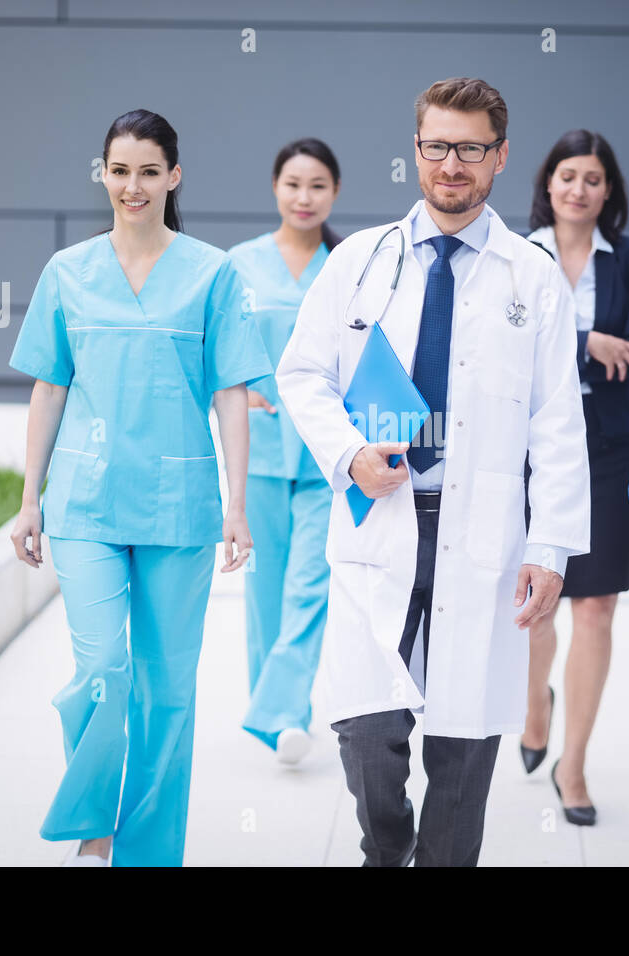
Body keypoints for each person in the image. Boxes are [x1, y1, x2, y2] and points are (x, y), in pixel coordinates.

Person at [276, 76, 590, 867]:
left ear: (500, 157)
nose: (453, 164)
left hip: (481, 532)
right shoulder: (359, 261)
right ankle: (386, 851)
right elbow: (302, 374)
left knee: (463, 747)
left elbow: (558, 421)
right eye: (438, 146)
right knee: (366, 730)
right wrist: (348, 453)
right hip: (382, 519)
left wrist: (550, 547)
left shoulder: (531, 277)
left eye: (471, 149)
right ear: (416, 149)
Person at [7, 109, 271, 867]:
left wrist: (237, 505)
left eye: (149, 171)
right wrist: (29, 499)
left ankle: (149, 855)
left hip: (178, 507)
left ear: (173, 177)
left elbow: (230, 393)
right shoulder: (68, 272)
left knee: (168, 691)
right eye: (120, 170)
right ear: (104, 174)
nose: (133, 186)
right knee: (102, 671)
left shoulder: (212, 273)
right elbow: (49, 387)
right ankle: (94, 829)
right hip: (84, 504)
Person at [520, 130, 629, 826]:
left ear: (609, 192)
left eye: (593, 179)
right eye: (568, 175)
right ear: (548, 183)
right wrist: (584, 343)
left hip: (606, 450)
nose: (579, 189)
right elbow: (504, 348)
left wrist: (573, 347)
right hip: (525, 450)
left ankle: (572, 765)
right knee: (535, 603)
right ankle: (533, 701)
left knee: (595, 607)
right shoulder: (515, 255)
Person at [227, 138, 342, 765]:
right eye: (294, 184)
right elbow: (213, 348)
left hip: (325, 451)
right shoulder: (239, 264)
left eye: (317, 185)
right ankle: (284, 720)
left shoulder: (346, 265)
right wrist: (234, 393)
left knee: (310, 588)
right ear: (275, 187)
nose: (305, 197)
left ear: (335, 193)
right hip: (262, 449)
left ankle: (280, 710)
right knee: (265, 591)